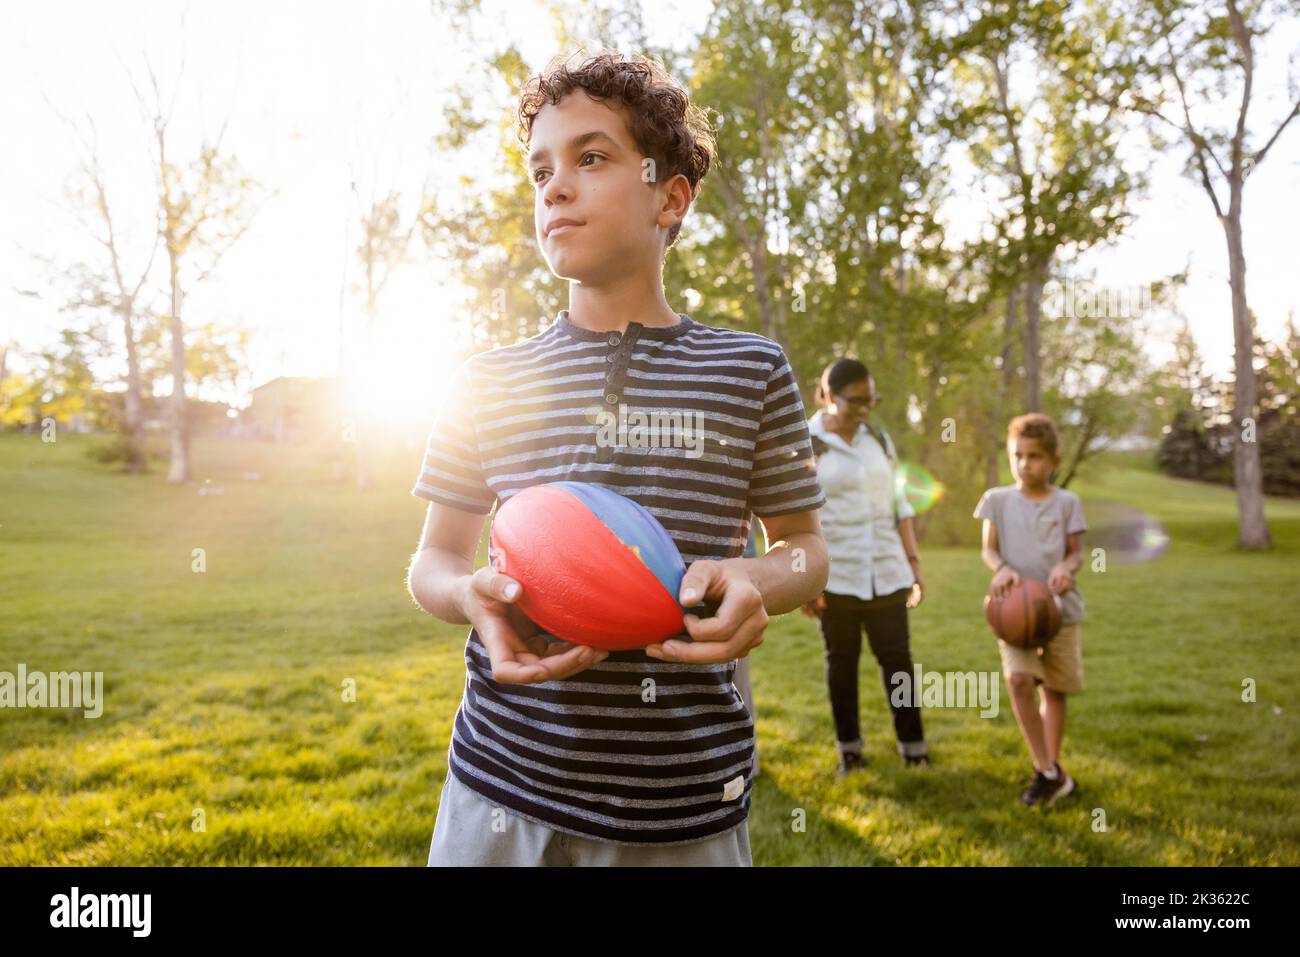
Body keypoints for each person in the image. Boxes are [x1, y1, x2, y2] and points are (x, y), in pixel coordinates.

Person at [406, 51, 828, 866]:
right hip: (499, 789)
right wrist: (470, 594)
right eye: (540, 172)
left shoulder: (751, 371)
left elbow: (807, 552)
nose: (554, 187)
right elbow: (433, 558)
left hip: (682, 807)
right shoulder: (486, 380)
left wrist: (759, 581)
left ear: (670, 195)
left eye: (589, 158)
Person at [800, 358, 930, 774]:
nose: (864, 408)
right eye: (855, 400)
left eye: (869, 398)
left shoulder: (878, 438)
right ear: (827, 395)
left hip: (886, 568)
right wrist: (804, 581)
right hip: (836, 573)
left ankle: (914, 748)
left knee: (899, 662)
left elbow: (900, 503)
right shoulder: (805, 441)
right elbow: (795, 512)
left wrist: (913, 563)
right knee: (842, 661)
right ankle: (849, 752)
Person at [974, 412, 1087, 808]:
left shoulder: (1067, 503)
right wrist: (1001, 568)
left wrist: (1065, 567)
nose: (1025, 464)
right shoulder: (997, 500)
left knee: (1055, 691)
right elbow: (989, 549)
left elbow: (1076, 555)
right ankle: (1050, 770)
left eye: (1035, 456)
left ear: (1054, 461)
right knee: (1019, 681)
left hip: (1060, 612)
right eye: (1017, 455)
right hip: (1013, 611)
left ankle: (1048, 770)